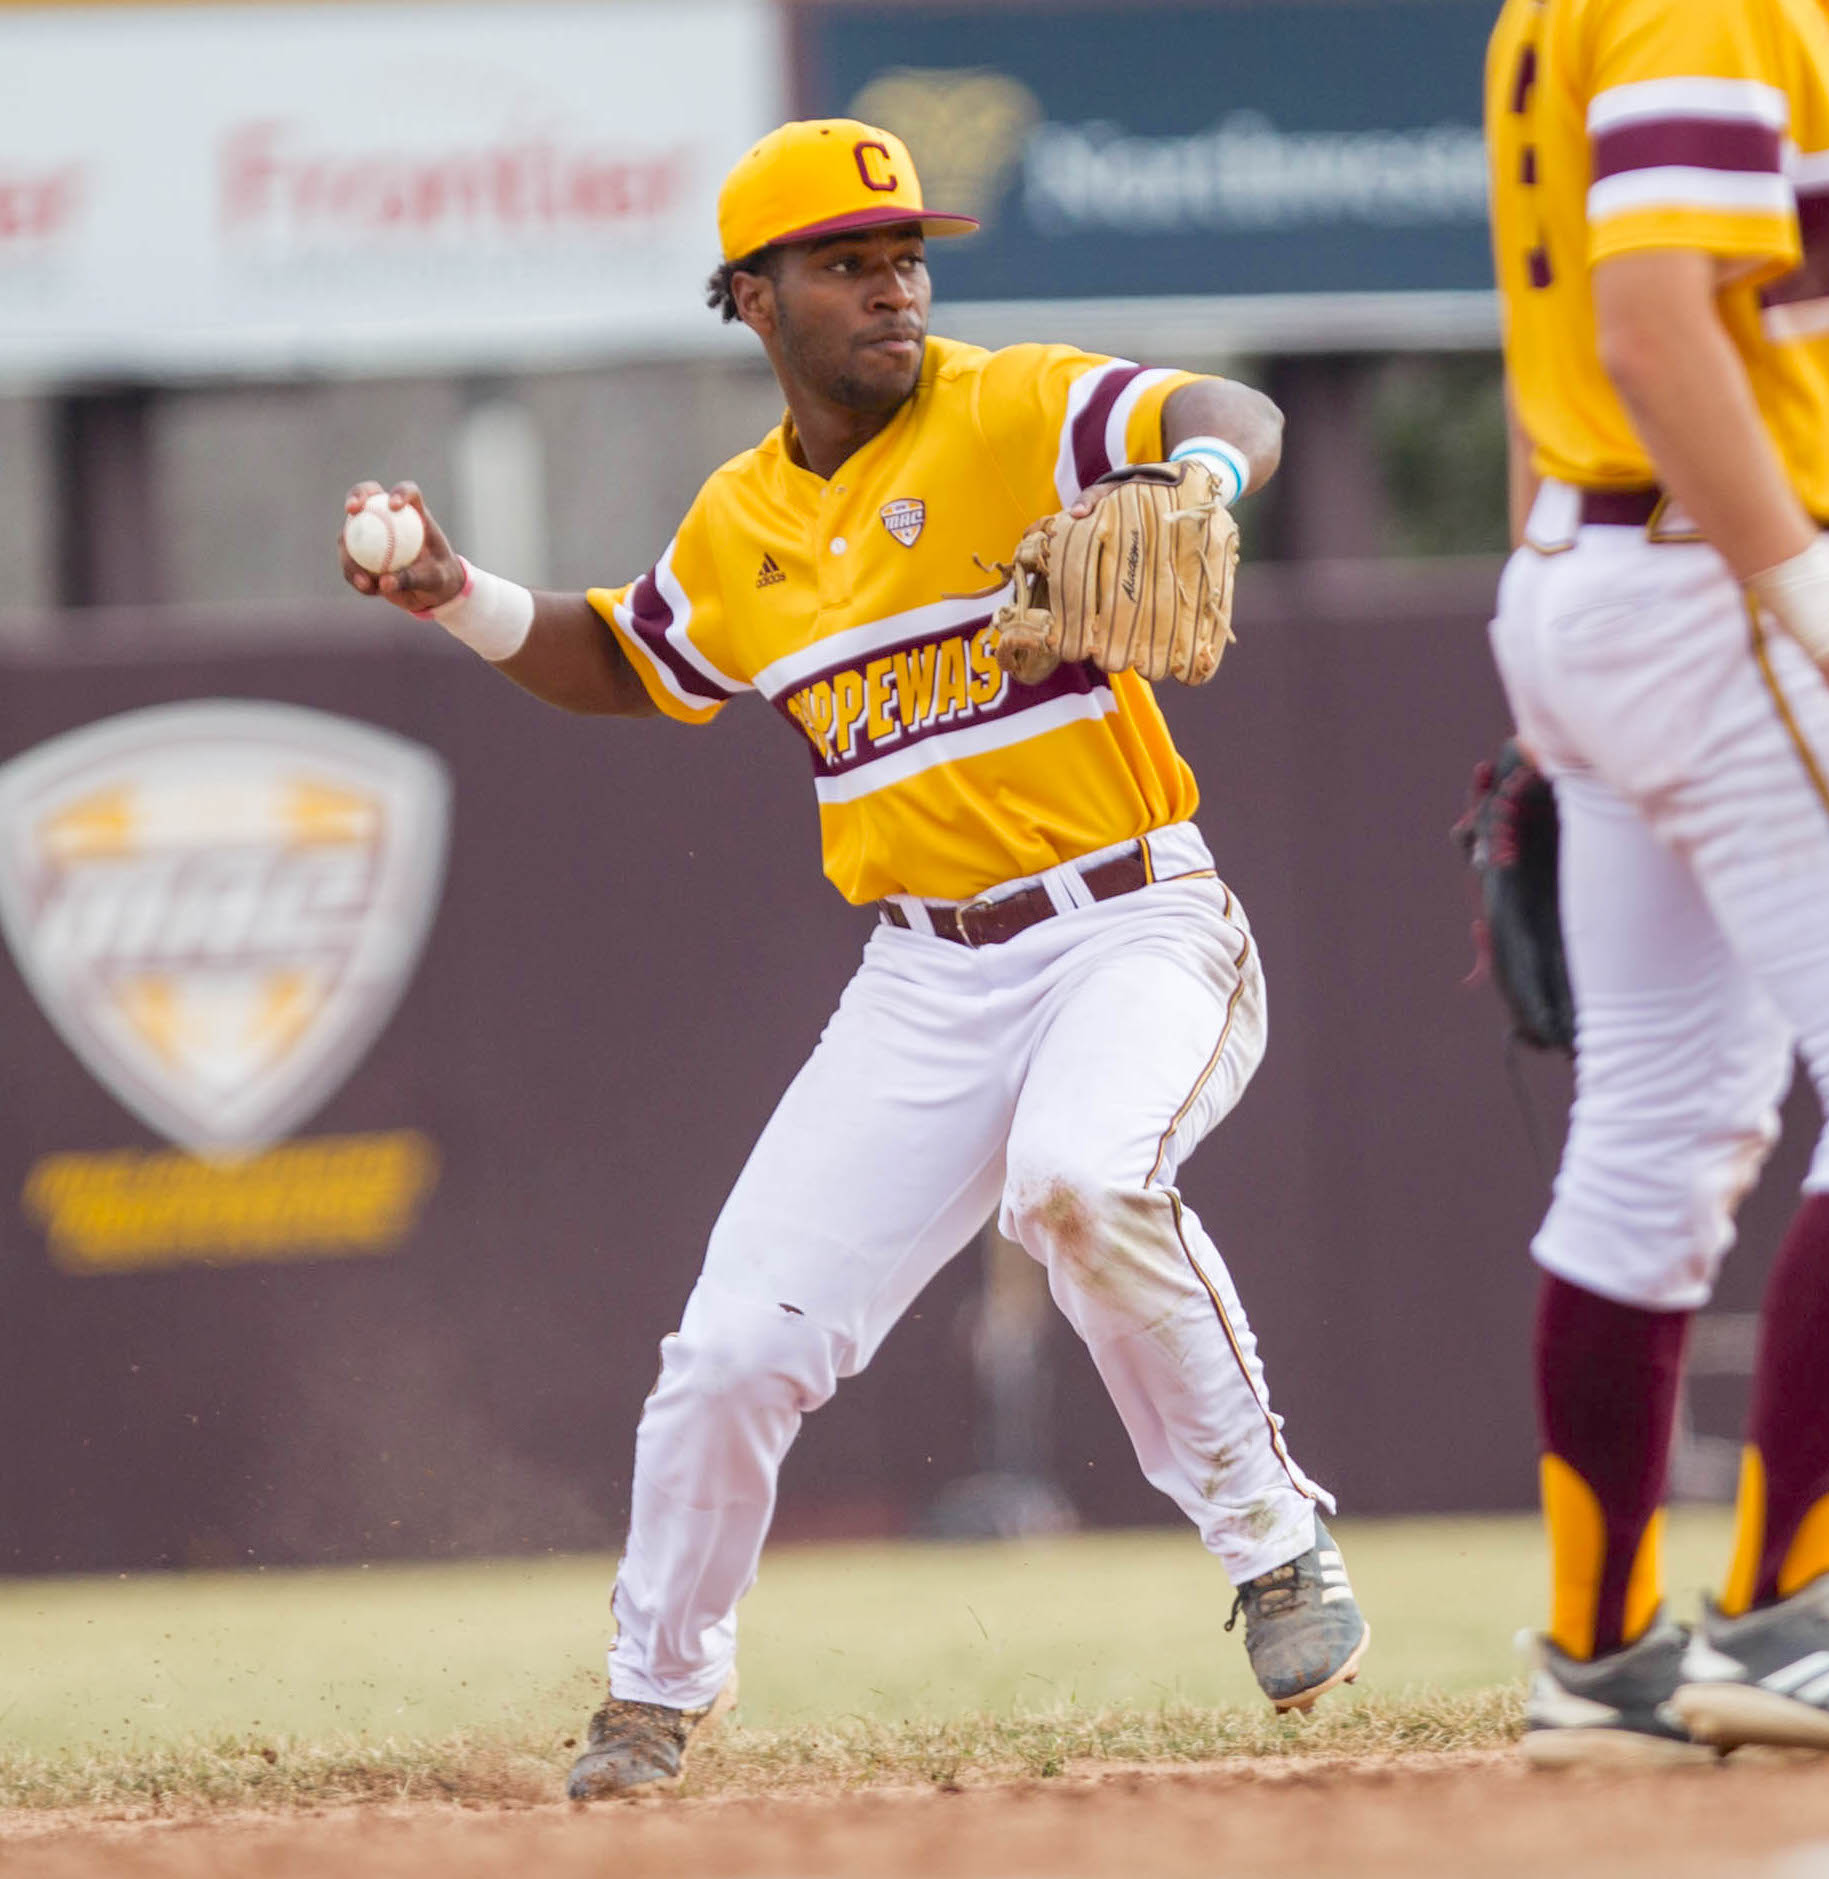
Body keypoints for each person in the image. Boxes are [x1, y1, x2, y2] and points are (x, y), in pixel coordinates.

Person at [338, 118, 1369, 1798]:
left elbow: (1227, 407)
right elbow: (628, 659)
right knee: (735, 1350)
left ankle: (1271, 1543)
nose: (894, 287)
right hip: (925, 978)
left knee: (1079, 1182)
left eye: (905, 257)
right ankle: (652, 1696)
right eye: (846, 263)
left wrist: (1193, 480)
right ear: (753, 296)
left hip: (1132, 921)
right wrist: (454, 590)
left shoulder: (1015, 405)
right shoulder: (739, 520)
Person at [1485, 0, 1829, 1764]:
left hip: (1601, 559)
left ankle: (1601, 1656)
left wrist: (1567, 641)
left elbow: (1550, 341)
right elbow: (1643, 322)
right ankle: (1787, 1621)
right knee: (1663, 1126)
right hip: (1718, 573)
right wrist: (1798, 588)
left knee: (1653, 1128)